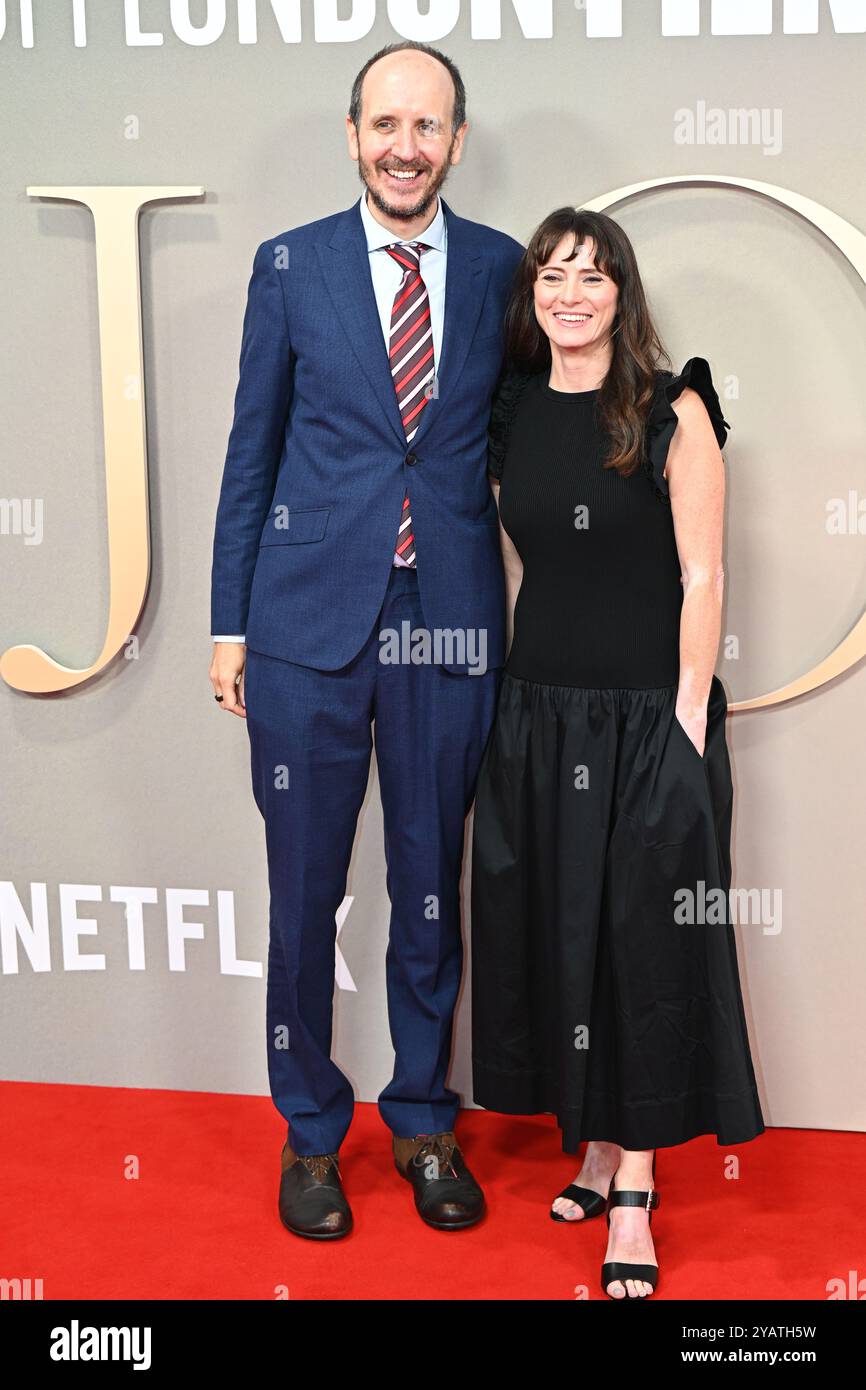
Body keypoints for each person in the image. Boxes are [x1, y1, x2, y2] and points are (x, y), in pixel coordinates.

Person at [209, 42, 523, 1239]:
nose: (405, 145)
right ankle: (307, 1132)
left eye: (428, 126)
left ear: (454, 140)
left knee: (428, 886)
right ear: (352, 135)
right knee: (303, 893)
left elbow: (529, 428)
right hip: (301, 630)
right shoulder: (290, 265)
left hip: (444, 626)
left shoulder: (499, 272)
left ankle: (424, 1117)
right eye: (384, 123)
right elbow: (250, 454)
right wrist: (230, 623)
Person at [469, 207, 764, 1297]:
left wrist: (685, 716)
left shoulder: (669, 405)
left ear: (619, 293)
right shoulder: (509, 413)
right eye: (552, 274)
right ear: (532, 296)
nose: (570, 292)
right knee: (563, 938)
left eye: (592, 276)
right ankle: (591, 1140)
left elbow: (704, 577)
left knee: (640, 950)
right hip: (537, 717)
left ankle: (633, 1185)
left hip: (648, 717)